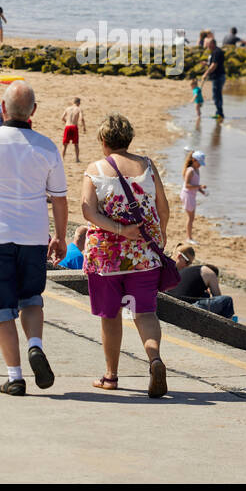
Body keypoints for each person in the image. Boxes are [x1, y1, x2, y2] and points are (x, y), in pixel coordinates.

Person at [0, 81, 68, 396]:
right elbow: (59, 199)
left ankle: (15, 376)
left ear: (1, 110)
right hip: (33, 237)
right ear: (33, 111)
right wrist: (60, 237)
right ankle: (35, 344)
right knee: (31, 298)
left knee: (2, 308)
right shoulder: (46, 146)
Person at [80, 113, 170, 397]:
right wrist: (161, 234)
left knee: (111, 315)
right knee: (145, 312)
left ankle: (111, 376)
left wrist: (120, 229)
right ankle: (154, 359)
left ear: (104, 140)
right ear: (129, 138)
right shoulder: (147, 165)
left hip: (107, 258)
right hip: (144, 253)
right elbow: (163, 205)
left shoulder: (94, 169)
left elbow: (88, 212)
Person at [166, 244, 236, 321]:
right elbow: (218, 297)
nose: (188, 266)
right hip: (186, 307)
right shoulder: (209, 272)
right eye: (188, 262)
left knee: (205, 295)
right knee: (227, 300)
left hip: (171, 304)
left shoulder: (182, 271)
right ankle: (229, 324)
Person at [179, 150, 206, 242]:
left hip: (192, 195)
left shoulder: (196, 170)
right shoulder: (190, 171)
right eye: (199, 163)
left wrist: (201, 191)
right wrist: (199, 186)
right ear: (194, 160)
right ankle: (189, 238)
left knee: (192, 217)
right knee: (190, 218)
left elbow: (194, 183)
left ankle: (189, 237)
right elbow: (187, 185)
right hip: (187, 195)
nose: (200, 165)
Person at [200, 35, 225, 120]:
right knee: (216, 95)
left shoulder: (217, 52)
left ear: (213, 44)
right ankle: (218, 112)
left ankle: (220, 113)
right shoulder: (214, 52)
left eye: (208, 44)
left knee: (217, 95)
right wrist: (206, 64)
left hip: (218, 76)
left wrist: (205, 73)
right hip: (217, 76)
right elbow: (212, 64)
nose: (207, 46)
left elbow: (214, 65)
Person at [60, 97, 86, 161]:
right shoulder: (78, 109)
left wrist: (67, 122)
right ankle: (77, 158)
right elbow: (81, 118)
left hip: (67, 126)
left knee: (65, 144)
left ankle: (63, 158)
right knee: (76, 144)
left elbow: (62, 117)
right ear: (79, 103)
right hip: (74, 127)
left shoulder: (68, 108)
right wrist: (83, 127)